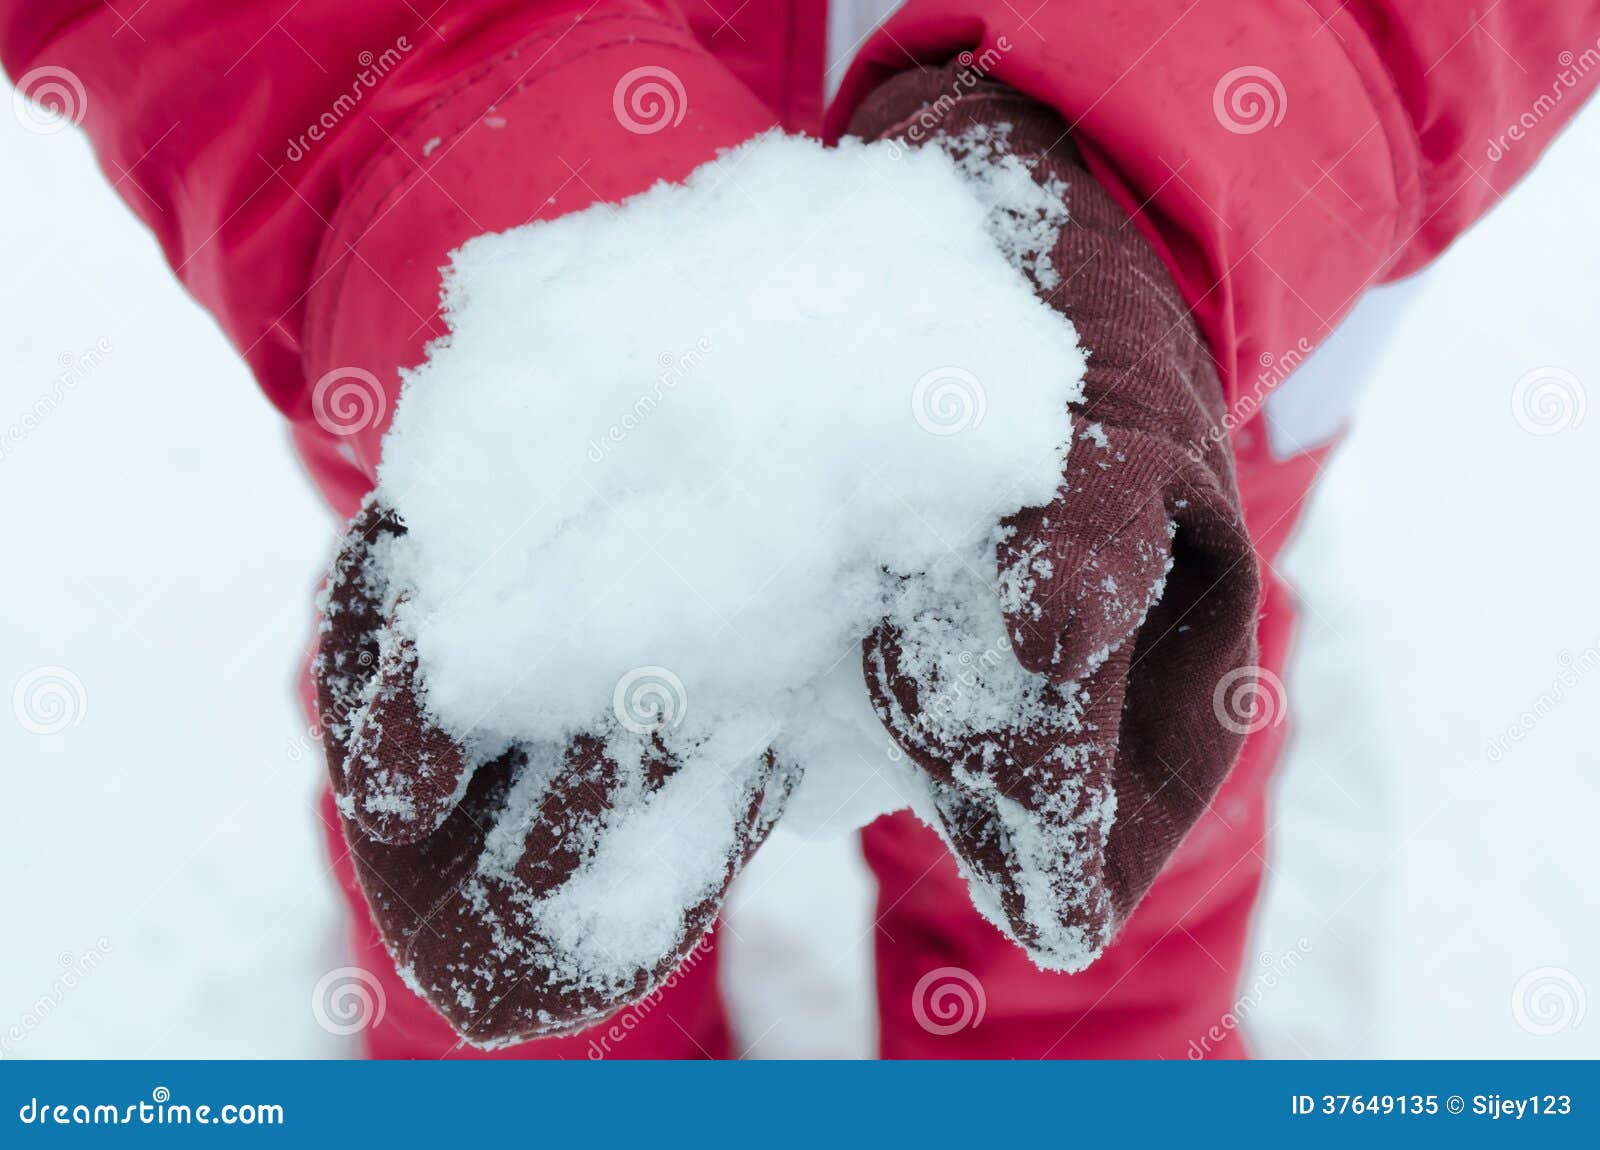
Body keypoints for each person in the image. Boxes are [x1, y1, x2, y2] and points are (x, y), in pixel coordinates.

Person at [4, 0, 1594, 1059]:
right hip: (494, 346)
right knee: (533, 846)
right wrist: (424, 141)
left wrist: (1133, 150)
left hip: (1158, 318)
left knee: (1089, 803)